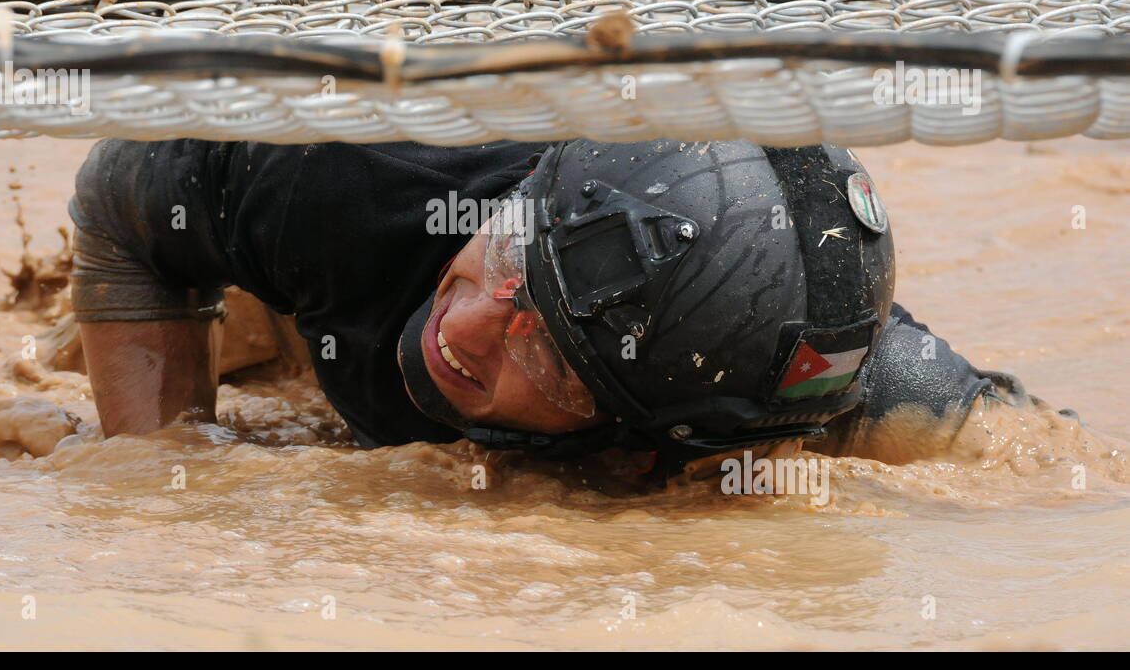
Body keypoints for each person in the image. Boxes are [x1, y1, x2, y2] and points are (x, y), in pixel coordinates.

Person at [67, 137, 1053, 479]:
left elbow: (1044, 467)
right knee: (270, 316)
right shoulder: (341, 181)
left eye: (547, 361)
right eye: (504, 260)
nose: (460, 333)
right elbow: (121, 195)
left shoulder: (796, 384)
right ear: (528, 192)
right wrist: (156, 467)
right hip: (363, 233)